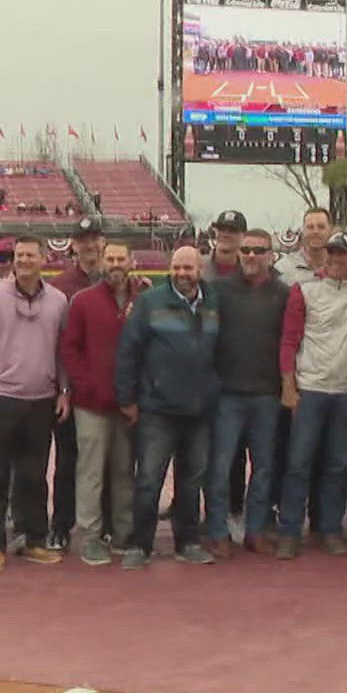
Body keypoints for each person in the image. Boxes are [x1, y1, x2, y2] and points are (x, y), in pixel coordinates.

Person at [0, 235, 70, 572]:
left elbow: (62, 351)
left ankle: (35, 540)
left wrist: (64, 390)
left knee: (35, 476)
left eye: (31, 255)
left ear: (43, 260)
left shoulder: (57, 300)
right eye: (20, 255)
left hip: (41, 400)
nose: (24, 260)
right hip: (1, 398)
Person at [116, 246, 222, 568]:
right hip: (157, 409)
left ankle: (187, 542)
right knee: (149, 479)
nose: (181, 274)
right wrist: (128, 399)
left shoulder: (213, 303)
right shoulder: (150, 302)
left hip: (200, 409)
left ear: (200, 270)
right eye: (176, 267)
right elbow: (128, 352)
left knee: (191, 481)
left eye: (188, 268)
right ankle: (140, 546)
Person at [277, 232, 347, 557]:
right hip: (311, 388)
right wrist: (289, 386)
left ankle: (329, 529)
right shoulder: (304, 290)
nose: (336, 259)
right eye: (332, 253)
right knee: (299, 463)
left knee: (338, 465)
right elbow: (288, 341)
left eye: (342, 254)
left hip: (346, 390)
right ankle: (289, 530)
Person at [210, 227, 289, 555]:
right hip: (226, 393)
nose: (252, 256)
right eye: (246, 251)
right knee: (220, 466)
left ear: (271, 254)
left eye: (259, 250)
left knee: (264, 467)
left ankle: (255, 530)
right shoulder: (219, 290)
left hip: (266, 394)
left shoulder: (284, 293)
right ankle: (217, 531)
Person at [59, 240, 138, 566]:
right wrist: (86, 387)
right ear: (102, 262)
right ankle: (90, 536)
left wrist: (136, 395)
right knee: (91, 471)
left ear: (132, 262)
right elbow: (70, 348)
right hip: (91, 403)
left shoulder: (143, 298)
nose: (116, 264)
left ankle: (123, 534)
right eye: (111, 259)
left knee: (123, 471)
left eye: (121, 258)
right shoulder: (83, 300)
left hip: (129, 404)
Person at [47, 216, 106, 552]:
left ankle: (106, 524)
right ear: (73, 244)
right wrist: (63, 388)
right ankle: (62, 524)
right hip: (72, 388)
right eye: (82, 239)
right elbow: (57, 343)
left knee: (109, 461)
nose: (89, 244)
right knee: (68, 460)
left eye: (94, 238)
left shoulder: (121, 280)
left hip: (107, 388)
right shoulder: (59, 286)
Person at [277, 207, 331, 284]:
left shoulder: (342, 267)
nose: (315, 231)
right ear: (303, 231)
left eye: (321, 227)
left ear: (330, 230)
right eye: (310, 227)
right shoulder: (283, 268)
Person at [205, 210, 248, 279]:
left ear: (244, 236)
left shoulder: (249, 272)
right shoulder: (198, 266)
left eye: (232, 230)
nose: (225, 235)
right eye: (221, 229)